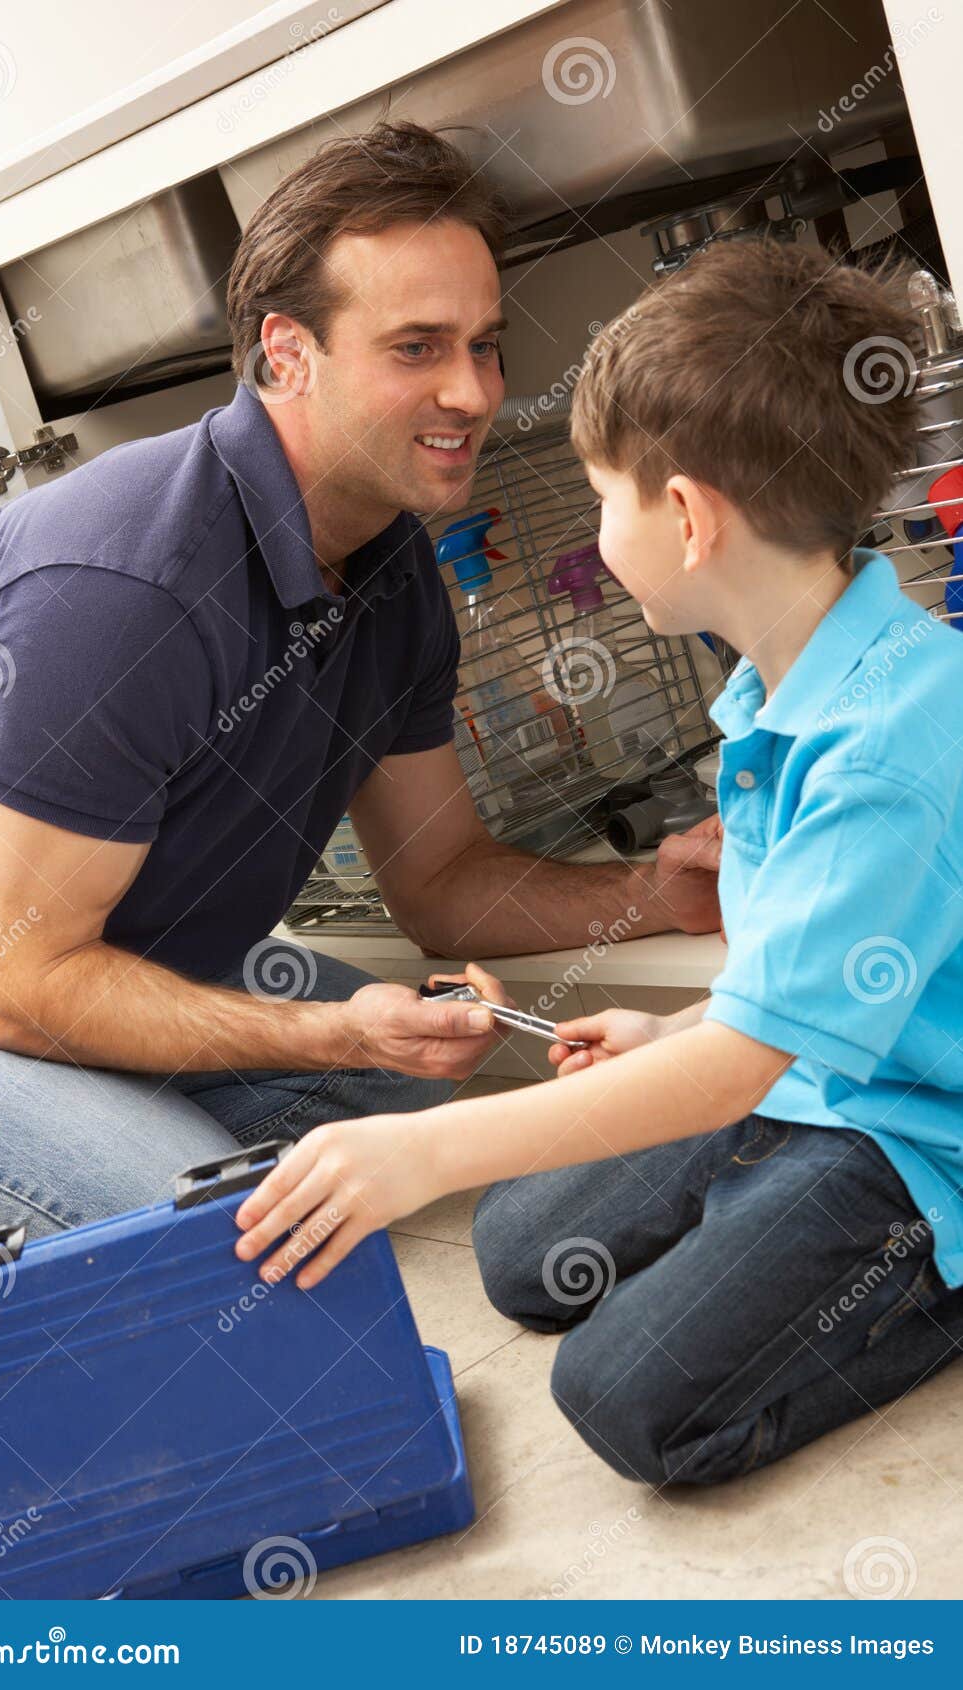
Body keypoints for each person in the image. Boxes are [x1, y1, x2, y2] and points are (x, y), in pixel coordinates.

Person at [0, 121, 719, 1276]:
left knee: (415, 1128)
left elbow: (440, 883)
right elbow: (23, 986)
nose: (471, 390)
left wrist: (653, 895)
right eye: (417, 347)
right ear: (287, 353)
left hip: (102, 963)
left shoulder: (393, 577)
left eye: (484, 345)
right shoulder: (122, 585)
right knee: (221, 1224)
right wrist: (328, 1025)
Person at [232, 237, 963, 1488]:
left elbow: (742, 1060)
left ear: (683, 515)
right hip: (817, 1083)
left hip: (915, 1141)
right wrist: (665, 1040)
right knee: (522, 1253)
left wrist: (424, 1151)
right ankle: (770, 1208)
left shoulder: (888, 751)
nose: (597, 524)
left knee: (625, 1402)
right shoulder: (782, 693)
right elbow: (778, 1007)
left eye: (599, 493)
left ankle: (920, 1281)